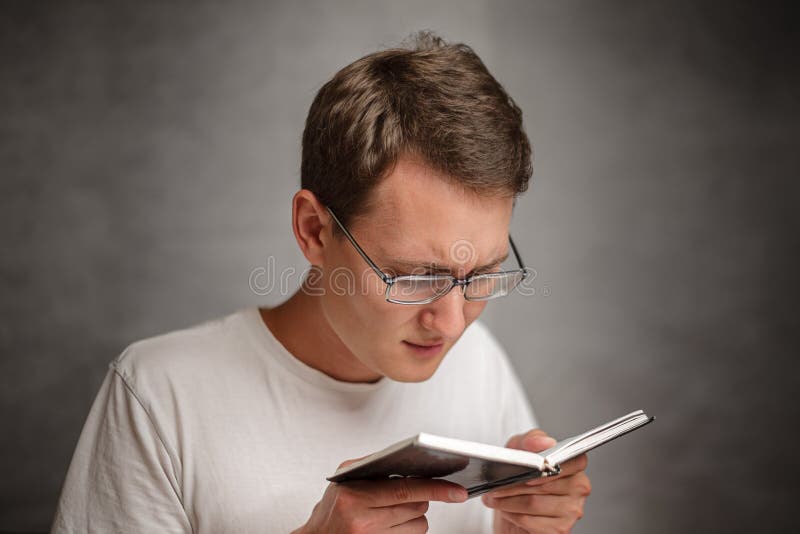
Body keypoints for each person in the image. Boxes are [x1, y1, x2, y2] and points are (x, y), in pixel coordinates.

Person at [52, 32, 591, 533]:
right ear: (314, 230)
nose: (451, 325)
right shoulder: (158, 398)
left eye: (483, 273)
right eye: (414, 276)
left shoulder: (481, 365)